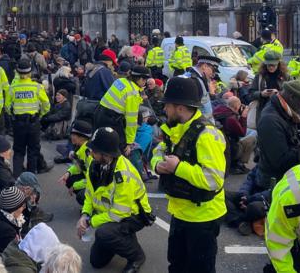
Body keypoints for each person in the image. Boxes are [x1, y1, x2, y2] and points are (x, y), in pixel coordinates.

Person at [152, 77, 226, 273]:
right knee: (177, 265)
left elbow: (213, 180)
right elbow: (159, 150)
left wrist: (178, 168)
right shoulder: (176, 127)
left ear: (180, 108)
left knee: (200, 268)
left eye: (167, 105)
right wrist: (157, 164)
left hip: (202, 218)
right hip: (180, 212)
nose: (164, 110)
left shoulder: (207, 135)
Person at [77, 127, 151, 273]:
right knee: (96, 262)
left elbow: (118, 214)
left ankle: (137, 256)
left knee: (104, 233)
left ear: (105, 154)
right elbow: (90, 195)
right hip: (113, 213)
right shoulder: (95, 164)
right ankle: (122, 237)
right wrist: (85, 214)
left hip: (134, 215)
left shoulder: (123, 174)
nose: (90, 154)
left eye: (94, 151)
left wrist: (90, 222)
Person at [256, 80, 300, 189]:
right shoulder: (270, 120)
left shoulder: (283, 112)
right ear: (291, 97)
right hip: (272, 182)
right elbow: (280, 161)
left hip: (279, 177)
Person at [6, 58, 50, 176]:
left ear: (18, 72)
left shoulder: (13, 88)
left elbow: (7, 106)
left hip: (18, 123)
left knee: (19, 151)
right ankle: (30, 180)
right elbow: (46, 105)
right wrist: (40, 114)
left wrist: (13, 115)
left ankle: (16, 178)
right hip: (33, 122)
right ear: (30, 72)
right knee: (32, 151)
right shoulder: (37, 87)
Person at [95, 66, 150, 155]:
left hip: (99, 112)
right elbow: (131, 120)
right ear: (139, 78)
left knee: (99, 146)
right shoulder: (133, 93)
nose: (145, 82)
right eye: (145, 79)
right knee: (119, 149)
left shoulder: (120, 81)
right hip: (111, 119)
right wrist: (129, 142)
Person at [59, 119, 93, 205]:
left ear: (82, 137)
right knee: (69, 178)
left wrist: (75, 186)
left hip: (96, 184)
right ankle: (88, 203)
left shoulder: (89, 152)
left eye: (73, 134)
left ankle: (92, 207)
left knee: (81, 196)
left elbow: (93, 179)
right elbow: (79, 167)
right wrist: (68, 173)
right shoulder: (81, 147)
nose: (71, 136)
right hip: (89, 179)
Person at [247, 50, 287, 123]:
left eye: (273, 65)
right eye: (269, 65)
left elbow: (290, 94)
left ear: (278, 64)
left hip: (281, 111)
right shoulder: (259, 76)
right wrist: (261, 94)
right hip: (263, 110)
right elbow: (250, 93)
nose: (271, 67)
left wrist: (279, 93)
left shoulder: (285, 76)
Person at [182, 55, 222, 120]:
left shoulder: (199, 79)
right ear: (204, 66)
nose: (213, 75)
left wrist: (211, 93)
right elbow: (195, 108)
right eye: (213, 70)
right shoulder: (194, 81)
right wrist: (212, 95)